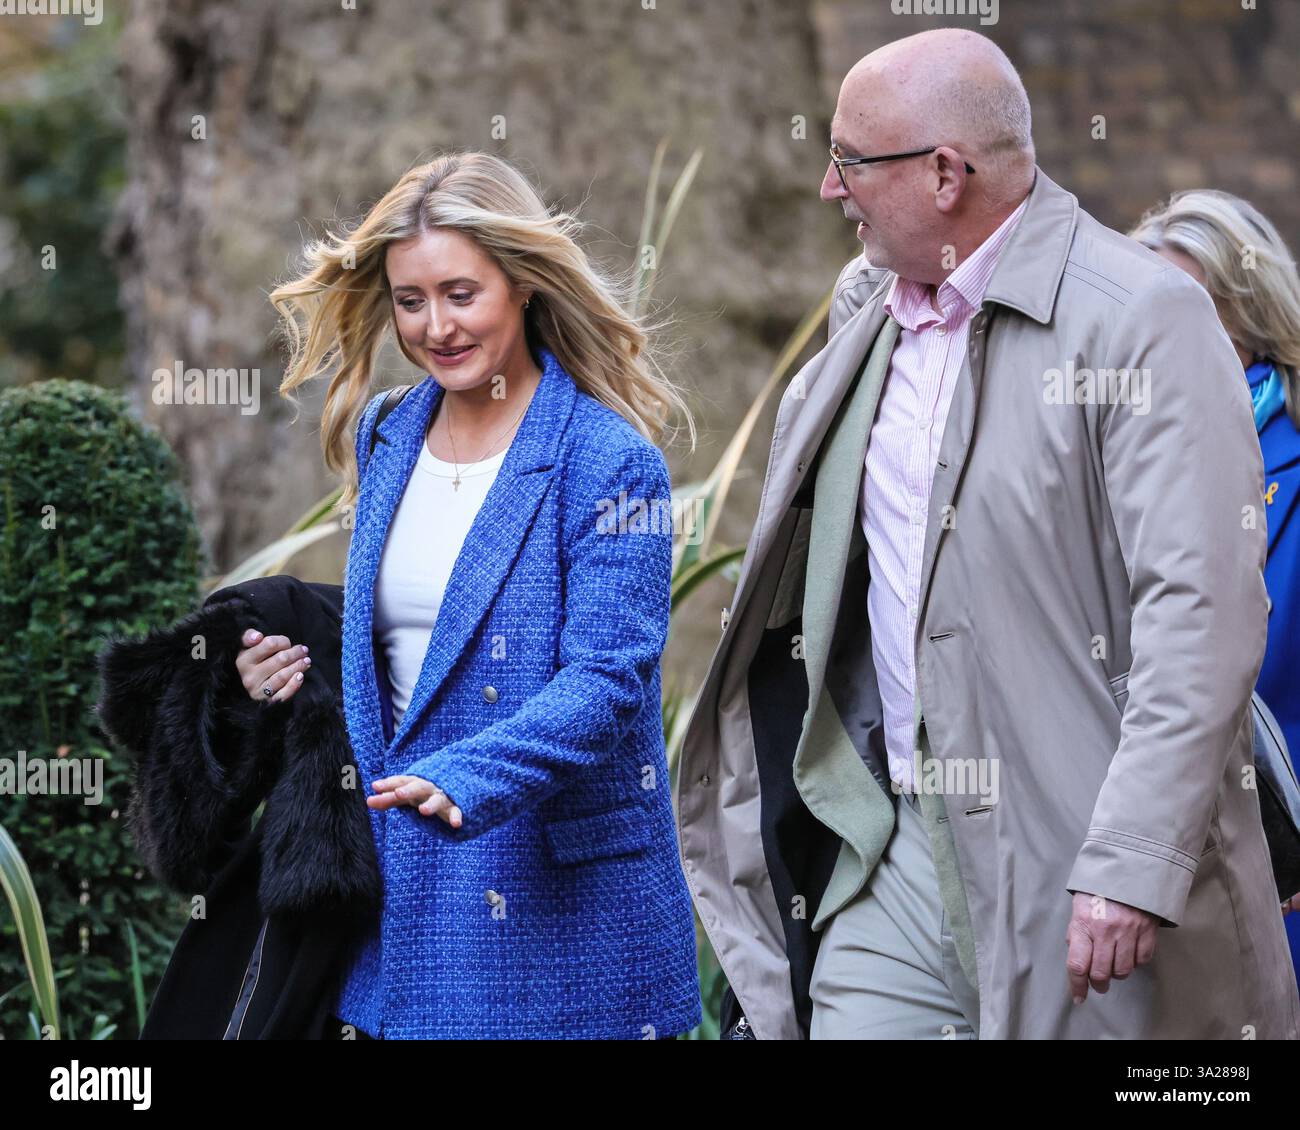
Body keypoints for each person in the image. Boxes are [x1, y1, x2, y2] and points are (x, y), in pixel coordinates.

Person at [675, 27, 1299, 1038]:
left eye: (849, 161)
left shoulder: (1144, 317)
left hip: (1073, 844)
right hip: (893, 843)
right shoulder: (863, 309)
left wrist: (1134, 857)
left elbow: (1205, 611)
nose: (831, 189)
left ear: (944, 175)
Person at [238, 151, 701, 1039]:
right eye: (410, 301)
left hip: (556, 906)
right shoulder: (389, 433)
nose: (435, 326)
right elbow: (410, 650)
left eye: (461, 294)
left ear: (523, 284)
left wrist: (463, 778)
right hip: (404, 894)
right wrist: (287, 675)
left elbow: (608, 678)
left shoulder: (612, 462)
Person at [1131, 188, 1300, 987]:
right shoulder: (1113, 458)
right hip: (1145, 857)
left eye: (1191, 308)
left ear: (1250, 315)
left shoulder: (1287, 457)